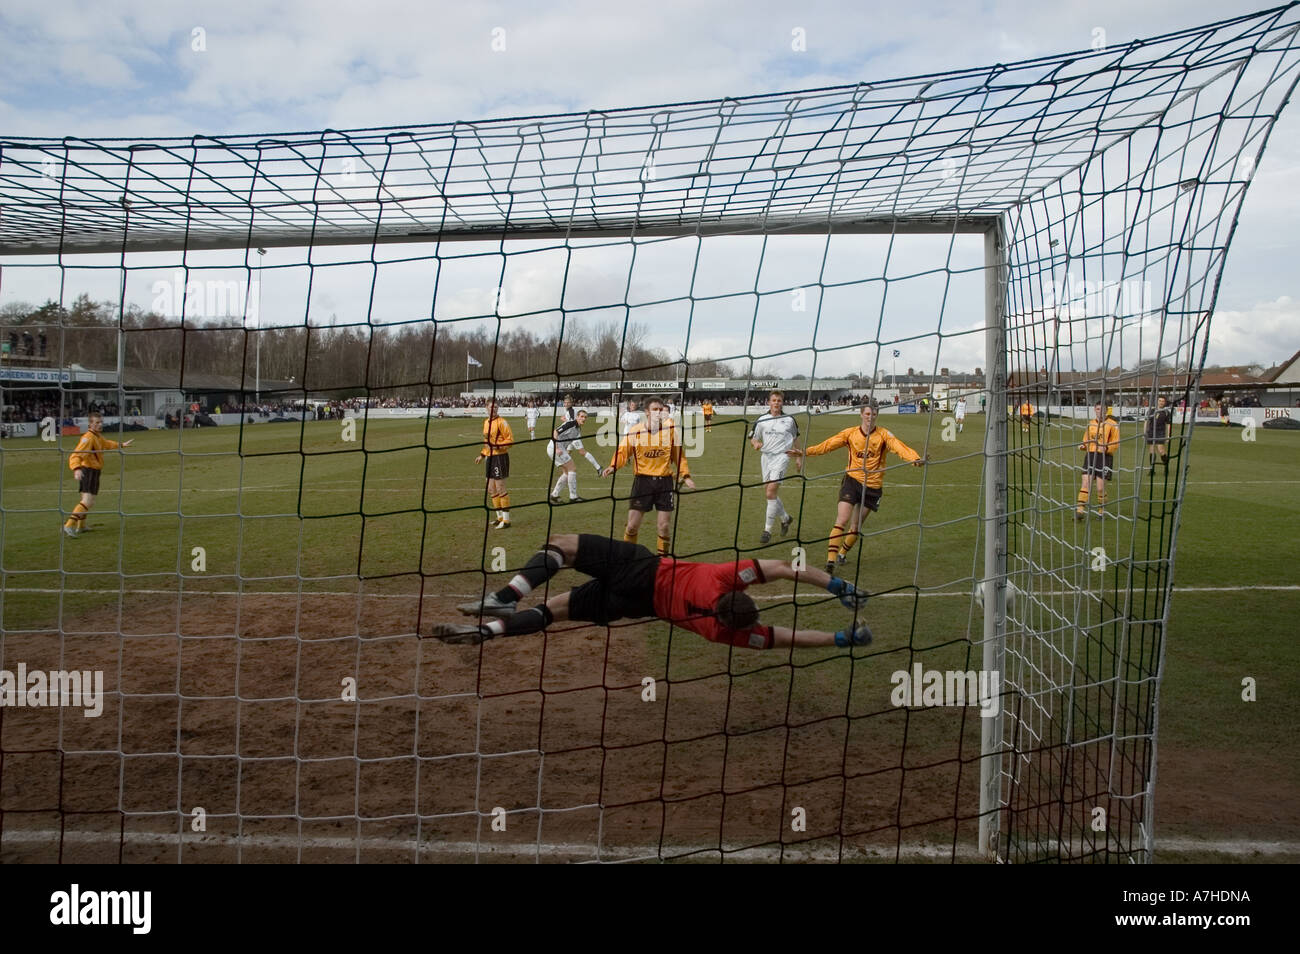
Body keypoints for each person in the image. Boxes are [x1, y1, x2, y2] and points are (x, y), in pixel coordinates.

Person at [436, 532, 872, 649]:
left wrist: (835, 584)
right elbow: (786, 640)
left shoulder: (724, 578)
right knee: (554, 611)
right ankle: (490, 633)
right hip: (636, 605)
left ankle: (506, 598)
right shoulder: (724, 633)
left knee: (562, 546)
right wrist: (839, 639)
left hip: (642, 569)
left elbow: (780, 567)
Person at [799, 403, 927, 575]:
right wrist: (805, 452)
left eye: (873, 414)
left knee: (856, 526)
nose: (870, 417)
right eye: (867, 413)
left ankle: (842, 554)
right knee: (842, 520)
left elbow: (899, 448)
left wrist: (915, 459)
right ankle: (830, 561)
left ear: (877, 415)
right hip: (852, 481)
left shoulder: (883, 435)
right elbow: (827, 445)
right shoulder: (850, 433)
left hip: (873, 487)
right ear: (861, 414)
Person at [603, 397, 695, 556]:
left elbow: (679, 456)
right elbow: (623, 451)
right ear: (646, 412)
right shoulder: (636, 430)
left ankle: (663, 561)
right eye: (655, 410)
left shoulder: (671, 430)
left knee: (664, 526)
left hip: (664, 483)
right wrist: (613, 466)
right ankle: (627, 559)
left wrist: (685, 475)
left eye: (661, 410)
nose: (659, 413)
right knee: (632, 526)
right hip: (642, 483)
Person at [64, 411, 134, 537]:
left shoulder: (97, 436)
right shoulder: (88, 438)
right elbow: (76, 455)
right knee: (88, 501)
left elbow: (106, 444)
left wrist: (121, 445)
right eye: (97, 422)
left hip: (93, 471)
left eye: (101, 422)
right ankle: (69, 525)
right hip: (88, 471)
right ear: (90, 424)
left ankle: (81, 526)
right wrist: (77, 469)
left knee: (87, 501)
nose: (100, 424)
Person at [748, 390, 801, 544]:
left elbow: (796, 439)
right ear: (769, 402)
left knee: (771, 492)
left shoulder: (789, 420)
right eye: (774, 400)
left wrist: (799, 457)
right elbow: (753, 437)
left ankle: (767, 530)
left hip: (782, 457)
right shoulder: (762, 419)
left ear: (782, 402)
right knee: (769, 493)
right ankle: (785, 518)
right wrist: (756, 443)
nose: (776, 403)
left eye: (779, 400)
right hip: (766, 458)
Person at [1075, 402, 1120, 520]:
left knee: (1100, 487)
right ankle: (1080, 510)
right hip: (1090, 456)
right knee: (1086, 483)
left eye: (1103, 409)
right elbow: (1086, 439)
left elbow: (1116, 442)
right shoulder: (1091, 424)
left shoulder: (1113, 424)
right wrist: (1083, 446)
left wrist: (1107, 448)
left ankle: (1101, 511)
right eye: (1098, 409)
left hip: (1105, 458)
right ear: (1095, 410)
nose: (1100, 411)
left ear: (1106, 410)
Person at [548, 409, 602, 503]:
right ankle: (573, 497)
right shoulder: (571, 424)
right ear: (577, 417)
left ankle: (554, 495)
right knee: (572, 468)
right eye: (581, 416)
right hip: (554, 447)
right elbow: (555, 432)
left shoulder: (578, 429)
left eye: (585, 417)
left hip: (558, 448)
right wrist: (557, 448)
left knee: (566, 472)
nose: (583, 419)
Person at [475, 399, 514, 529]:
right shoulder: (486, 422)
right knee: (491, 488)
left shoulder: (502, 422)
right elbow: (487, 442)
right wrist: (482, 454)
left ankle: (507, 521)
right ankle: (499, 518)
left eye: (496, 407)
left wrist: (499, 446)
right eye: (492, 407)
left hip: (500, 457)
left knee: (500, 487)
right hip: (490, 458)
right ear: (486, 408)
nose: (494, 409)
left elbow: (510, 440)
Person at [1144, 395, 1172, 470]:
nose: (1161, 402)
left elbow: (1168, 425)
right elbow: (1146, 422)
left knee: (1161, 450)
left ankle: (1166, 466)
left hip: (1161, 433)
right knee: (1152, 450)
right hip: (1151, 432)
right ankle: (1152, 469)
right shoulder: (1151, 411)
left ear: (1165, 403)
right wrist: (1145, 433)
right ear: (1157, 402)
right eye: (1160, 401)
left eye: (1163, 401)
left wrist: (1168, 436)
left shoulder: (1166, 412)